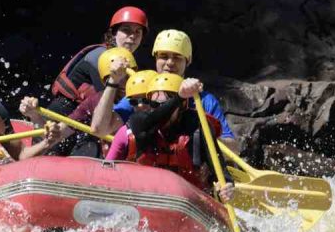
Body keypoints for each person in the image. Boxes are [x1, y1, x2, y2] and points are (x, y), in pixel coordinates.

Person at [93, 28, 239, 153]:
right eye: (163, 56)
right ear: (155, 58)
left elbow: (234, 149)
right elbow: (99, 129)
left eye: (177, 57)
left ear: (187, 61)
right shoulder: (140, 91)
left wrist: (204, 139)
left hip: (185, 176)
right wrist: (113, 82)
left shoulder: (202, 100)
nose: (169, 63)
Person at [106, 73, 234, 201]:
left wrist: (227, 184)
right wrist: (179, 97)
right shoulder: (139, 122)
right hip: (145, 198)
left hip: (189, 201)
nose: (161, 111)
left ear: (183, 106)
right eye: (155, 105)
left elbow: (219, 168)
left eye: (167, 104)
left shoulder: (198, 127)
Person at [21, 46, 137, 157]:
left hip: (136, 157)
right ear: (106, 80)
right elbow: (57, 135)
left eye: (126, 76)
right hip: (111, 159)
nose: (124, 82)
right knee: (89, 145)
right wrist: (34, 115)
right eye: (119, 76)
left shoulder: (141, 94)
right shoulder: (94, 101)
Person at [44, 6, 149, 118]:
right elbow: (110, 101)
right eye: (126, 30)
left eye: (138, 31)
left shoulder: (126, 63)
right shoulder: (100, 55)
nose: (133, 36)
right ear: (114, 33)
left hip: (82, 122)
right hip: (61, 116)